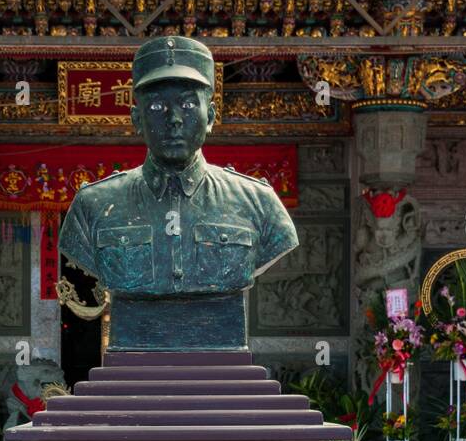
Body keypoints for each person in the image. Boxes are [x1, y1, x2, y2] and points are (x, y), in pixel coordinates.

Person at [58, 36, 298, 349]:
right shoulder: (93, 205)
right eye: (157, 106)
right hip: (132, 362)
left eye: (188, 104)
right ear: (136, 119)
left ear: (210, 117)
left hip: (223, 360)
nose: (174, 120)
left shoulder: (258, 203)